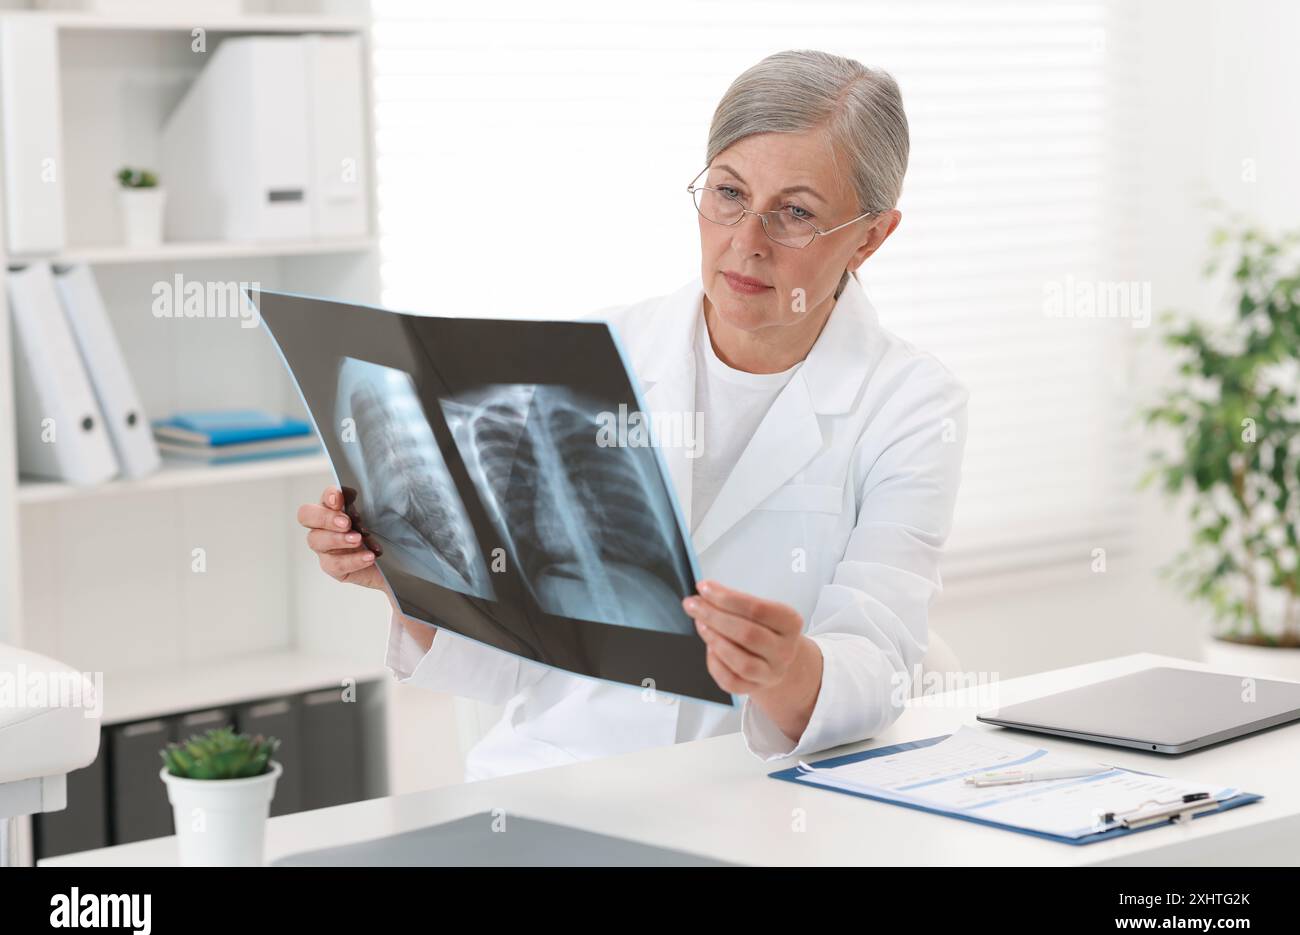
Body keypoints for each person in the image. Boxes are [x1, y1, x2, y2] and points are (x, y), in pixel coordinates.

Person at [297, 49, 968, 780]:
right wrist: (410, 580)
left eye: (796, 213)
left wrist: (787, 669)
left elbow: (880, 658)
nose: (747, 241)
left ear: (871, 236)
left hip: (754, 798)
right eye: (729, 193)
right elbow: (514, 658)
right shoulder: (600, 352)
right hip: (550, 784)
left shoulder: (909, 403)